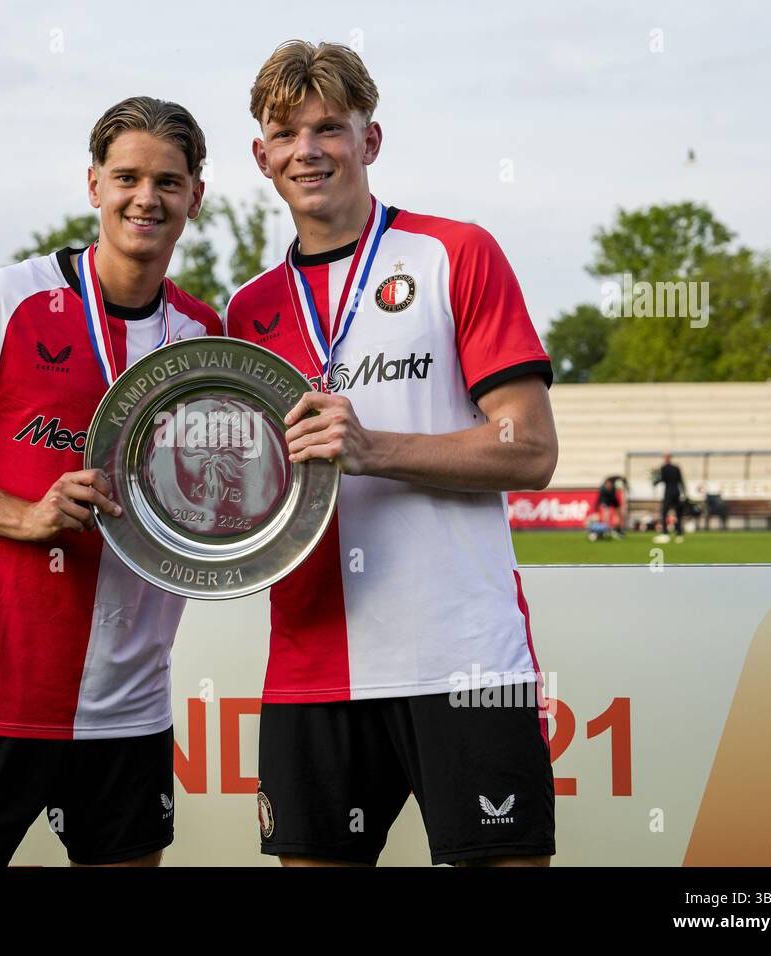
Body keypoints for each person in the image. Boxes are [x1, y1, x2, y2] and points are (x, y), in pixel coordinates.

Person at [224, 41, 558, 868]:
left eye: (329, 127)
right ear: (261, 156)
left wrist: (373, 448)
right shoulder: (247, 311)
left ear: (370, 141)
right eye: (286, 132)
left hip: (465, 656)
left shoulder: (455, 253)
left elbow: (531, 449)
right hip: (312, 668)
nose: (309, 149)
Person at [0, 96, 220, 867]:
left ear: (196, 195)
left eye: (168, 180)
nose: (145, 197)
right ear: (93, 184)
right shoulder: (8, 300)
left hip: (129, 706)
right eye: (126, 176)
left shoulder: (204, 337)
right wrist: (26, 516)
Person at [653, 453, 686, 543]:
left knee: (664, 512)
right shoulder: (676, 468)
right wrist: (683, 493)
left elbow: (662, 479)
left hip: (669, 493)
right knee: (678, 513)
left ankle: (665, 534)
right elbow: (681, 481)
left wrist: (655, 481)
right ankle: (679, 535)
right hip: (677, 492)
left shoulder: (664, 468)